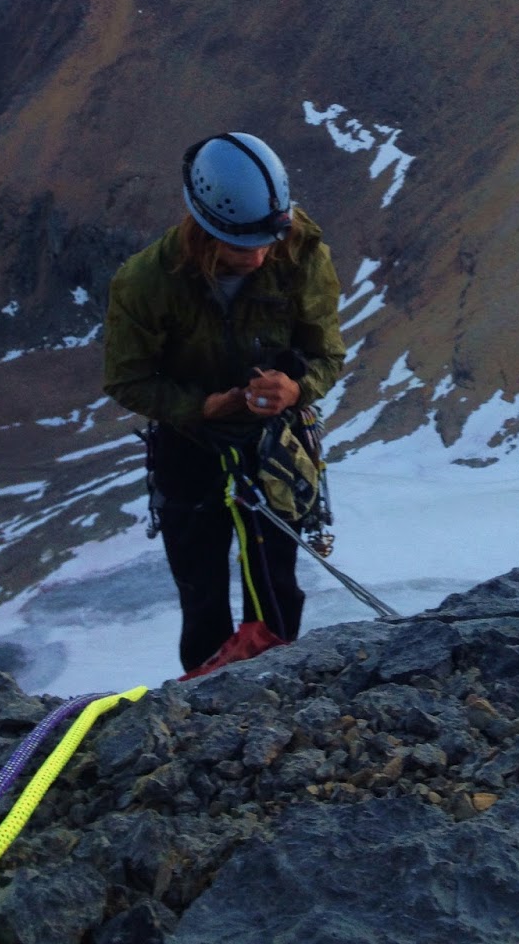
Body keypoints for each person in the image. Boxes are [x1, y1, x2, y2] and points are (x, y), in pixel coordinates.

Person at [103, 132, 346, 672]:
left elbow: (327, 354)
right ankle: (202, 699)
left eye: (267, 243)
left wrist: (296, 389)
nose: (257, 258)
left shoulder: (302, 254)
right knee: (202, 595)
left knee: (277, 588)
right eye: (240, 248)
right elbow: (126, 380)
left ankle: (276, 685)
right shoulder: (146, 283)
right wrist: (203, 407)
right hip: (189, 444)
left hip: (274, 446)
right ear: (203, 230)